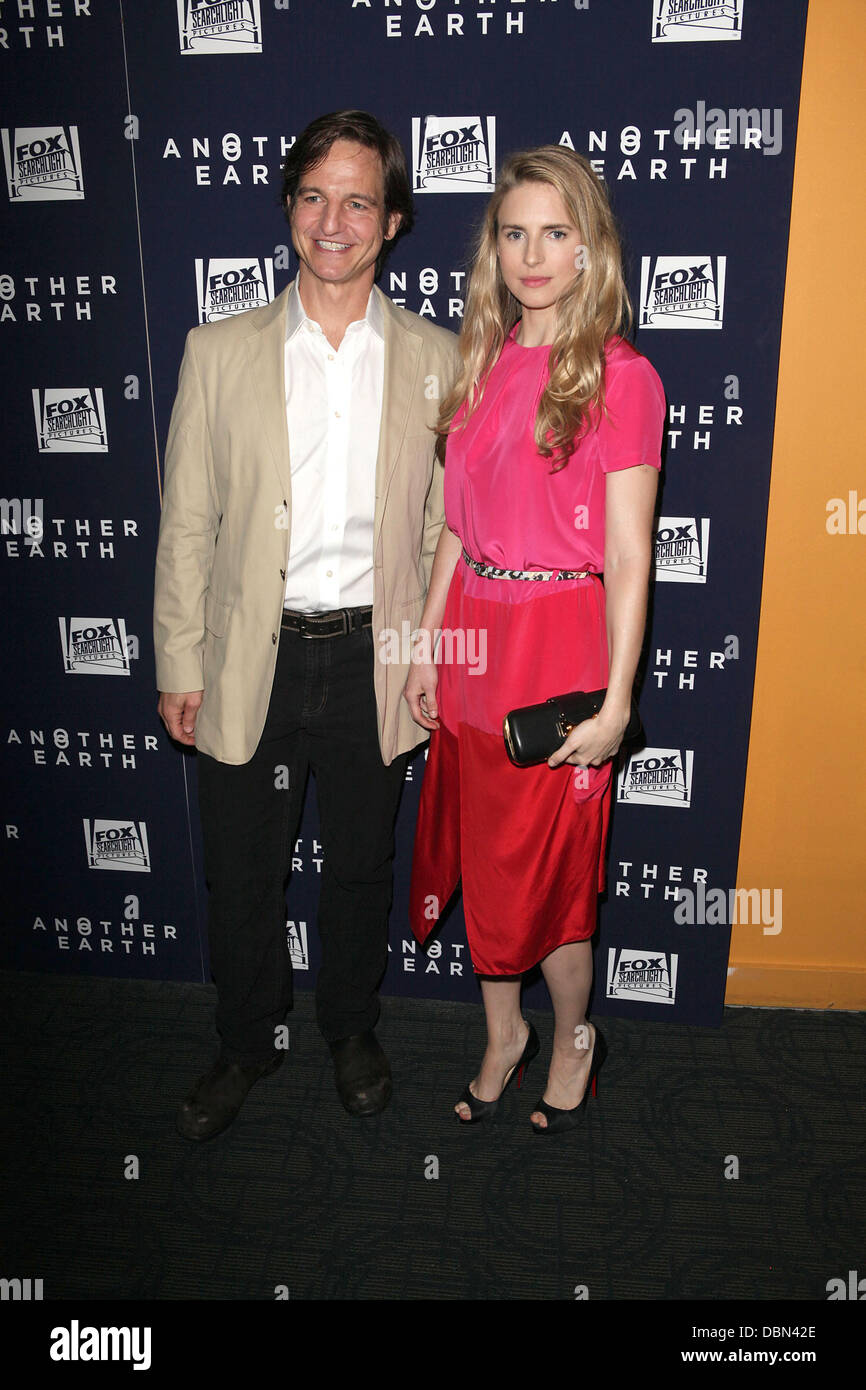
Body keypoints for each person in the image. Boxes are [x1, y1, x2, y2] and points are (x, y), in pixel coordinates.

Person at [154, 110, 458, 1140]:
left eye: (358, 199)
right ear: (289, 209)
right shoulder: (218, 351)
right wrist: (178, 660)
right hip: (252, 655)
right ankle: (246, 1041)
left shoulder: (437, 357)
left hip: (374, 653)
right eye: (314, 196)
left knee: (362, 864)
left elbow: (438, 531)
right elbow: (187, 520)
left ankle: (350, 1029)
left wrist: (426, 653)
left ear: (392, 220)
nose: (334, 219)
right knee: (240, 869)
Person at [405, 146, 664, 1134]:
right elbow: (456, 528)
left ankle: (570, 1036)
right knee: (484, 854)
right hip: (473, 633)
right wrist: (426, 648)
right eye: (512, 232)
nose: (530, 253)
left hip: (558, 645)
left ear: (588, 246)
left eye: (554, 232)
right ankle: (501, 1034)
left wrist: (614, 702)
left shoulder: (620, 376)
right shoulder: (478, 361)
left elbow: (630, 559)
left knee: (550, 876)